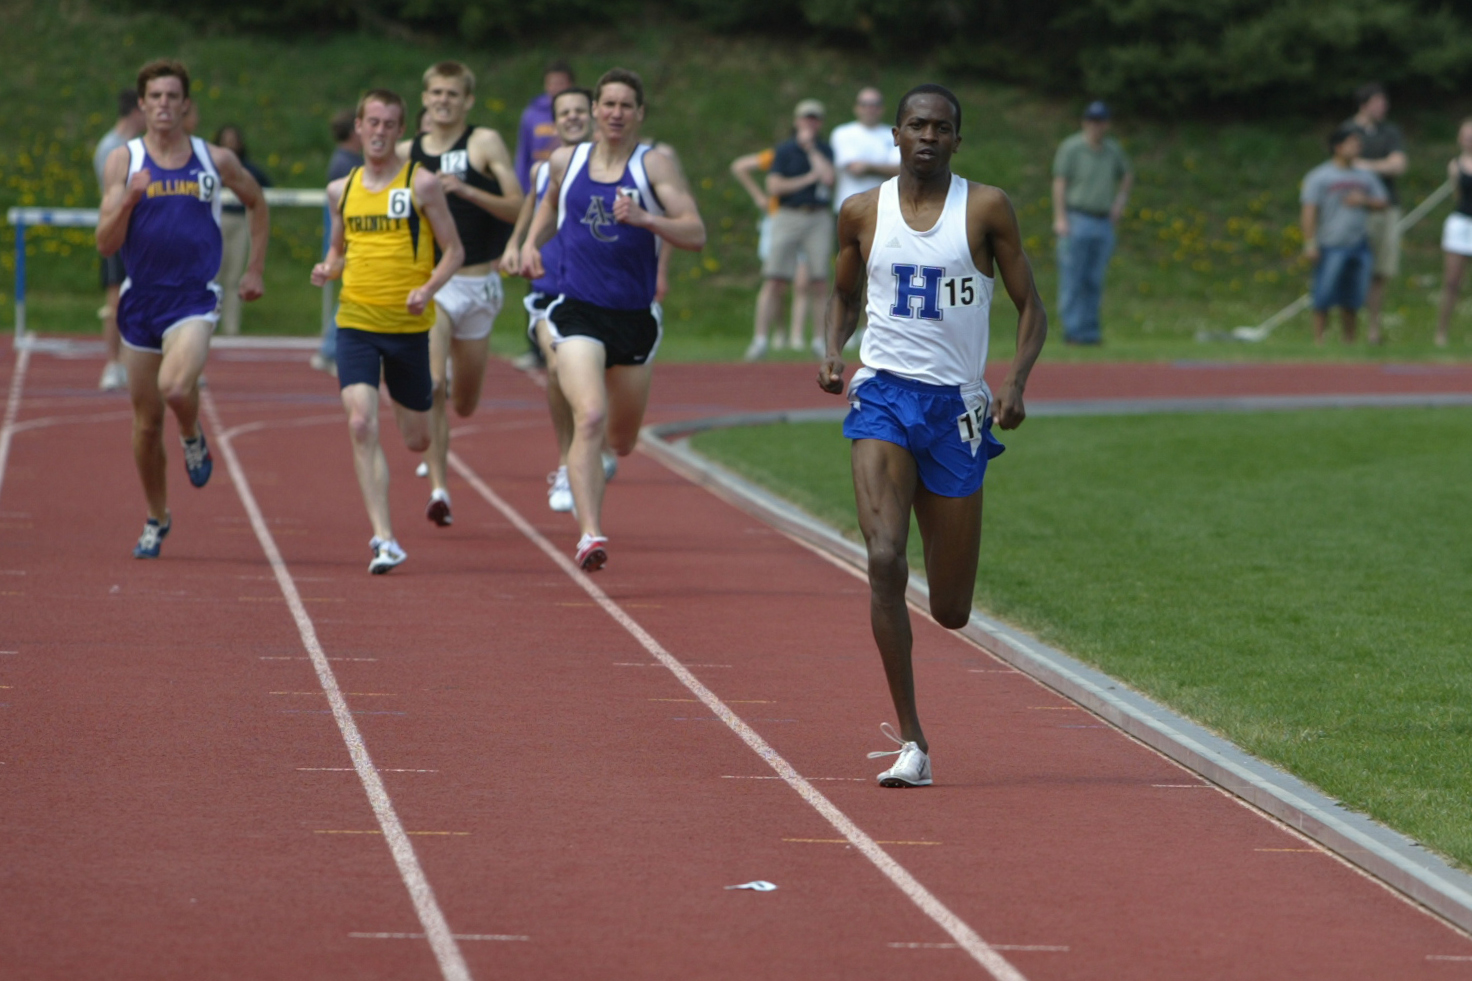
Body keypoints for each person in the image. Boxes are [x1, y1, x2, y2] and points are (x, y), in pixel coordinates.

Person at [817, 84, 1046, 787]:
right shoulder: (860, 211)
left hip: (957, 412)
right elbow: (845, 296)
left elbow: (1031, 305)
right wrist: (833, 348)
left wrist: (1014, 382)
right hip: (883, 394)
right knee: (884, 558)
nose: (927, 136)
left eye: (941, 127)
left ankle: (934, 630)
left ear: (956, 139)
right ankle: (912, 740)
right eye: (916, 124)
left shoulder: (985, 208)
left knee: (950, 609)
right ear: (894, 133)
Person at [519, 67, 705, 571]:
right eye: (608, 104)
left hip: (634, 318)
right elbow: (548, 203)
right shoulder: (567, 159)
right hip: (577, 309)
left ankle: (598, 462)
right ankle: (589, 533)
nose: (616, 113)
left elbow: (695, 232)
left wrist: (647, 219)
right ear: (595, 110)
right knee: (590, 416)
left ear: (639, 113)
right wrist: (529, 248)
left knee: (620, 441)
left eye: (626, 105)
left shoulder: (655, 165)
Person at [95, 60, 270, 559]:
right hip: (141, 299)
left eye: (173, 96)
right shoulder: (122, 162)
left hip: (195, 296)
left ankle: (192, 431)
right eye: (156, 97)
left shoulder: (214, 159)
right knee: (147, 425)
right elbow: (105, 244)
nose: (165, 105)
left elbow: (258, 204)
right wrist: (127, 201)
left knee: (176, 387)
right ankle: (157, 516)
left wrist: (253, 270)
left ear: (186, 104)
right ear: (143, 104)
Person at [310, 89, 464, 573]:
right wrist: (328, 268)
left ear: (401, 131)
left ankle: (434, 404)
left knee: (417, 439)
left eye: (388, 124)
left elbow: (454, 251)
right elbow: (339, 250)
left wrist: (429, 288)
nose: (378, 132)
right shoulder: (342, 189)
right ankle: (384, 538)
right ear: (358, 127)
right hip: (355, 323)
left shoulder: (422, 184)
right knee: (359, 422)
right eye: (371, 122)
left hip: (407, 327)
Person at [400, 61, 523, 528]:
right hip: (433, 285)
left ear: (467, 100)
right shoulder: (405, 151)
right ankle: (439, 489)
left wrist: (466, 190)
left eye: (452, 94)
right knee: (431, 385)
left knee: (465, 402)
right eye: (435, 93)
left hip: (478, 283)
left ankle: (451, 380)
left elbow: (516, 206)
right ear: (425, 98)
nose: (443, 101)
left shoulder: (483, 142)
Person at [501, 86, 595, 513]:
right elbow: (529, 209)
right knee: (556, 366)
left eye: (580, 111)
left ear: (592, 116)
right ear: (553, 123)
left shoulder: (615, 169)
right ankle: (565, 462)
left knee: (598, 389)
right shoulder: (545, 170)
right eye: (565, 113)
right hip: (548, 284)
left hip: (597, 289)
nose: (573, 118)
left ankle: (593, 448)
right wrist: (517, 245)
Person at [743, 99, 835, 361]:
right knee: (774, 278)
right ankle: (760, 339)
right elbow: (775, 187)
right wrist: (807, 179)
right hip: (787, 215)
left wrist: (811, 151)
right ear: (797, 122)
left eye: (815, 118)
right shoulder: (783, 151)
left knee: (819, 280)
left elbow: (828, 178)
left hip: (817, 216)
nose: (810, 122)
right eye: (806, 118)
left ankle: (819, 340)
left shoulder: (825, 150)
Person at [512, 59, 576, 371]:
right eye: (551, 83)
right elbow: (524, 157)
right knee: (537, 270)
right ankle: (537, 347)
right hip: (539, 195)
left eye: (561, 83)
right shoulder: (531, 116)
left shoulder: (591, 150)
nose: (555, 89)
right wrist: (515, 241)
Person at [1050, 101, 1132, 345]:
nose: (1097, 126)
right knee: (1072, 278)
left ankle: (1090, 331)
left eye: (1101, 121)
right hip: (1077, 218)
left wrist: (1119, 204)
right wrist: (1060, 217)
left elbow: (1126, 175)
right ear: (1085, 122)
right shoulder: (1072, 148)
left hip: (1103, 221)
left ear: (1106, 124)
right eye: (1093, 121)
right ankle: (1073, 331)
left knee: (1094, 280)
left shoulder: (1112, 150)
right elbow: (1059, 182)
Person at [730, 141, 817, 360]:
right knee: (776, 281)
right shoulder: (780, 155)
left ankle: (796, 337)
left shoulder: (818, 154)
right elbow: (739, 166)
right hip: (779, 220)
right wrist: (759, 196)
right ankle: (775, 332)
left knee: (802, 281)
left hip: (808, 219)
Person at [1301, 126, 1387, 344]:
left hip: (1359, 243)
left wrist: (1364, 201)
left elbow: (1383, 202)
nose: (1358, 146)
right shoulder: (1319, 176)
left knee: (1353, 295)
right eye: (1352, 142)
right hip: (1330, 243)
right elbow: (1309, 211)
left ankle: (1349, 341)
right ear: (1338, 147)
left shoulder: (1365, 176)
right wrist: (1310, 243)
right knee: (1324, 293)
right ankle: (1318, 341)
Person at [1344, 83, 1409, 345]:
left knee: (1381, 270)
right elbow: (1345, 166)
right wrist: (1380, 166)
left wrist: (1365, 166)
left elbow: (1399, 165)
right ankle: (1348, 332)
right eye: (1379, 102)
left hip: (1387, 208)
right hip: (1355, 210)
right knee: (1351, 268)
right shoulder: (1348, 130)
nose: (1384, 107)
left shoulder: (1390, 131)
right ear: (1365, 103)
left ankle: (1373, 330)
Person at [93, 89, 145, 391]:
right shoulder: (111, 148)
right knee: (115, 301)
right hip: (118, 230)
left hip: (143, 234)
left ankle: (137, 360)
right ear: (135, 112)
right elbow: (112, 195)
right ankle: (113, 363)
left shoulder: (140, 146)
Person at [311, 110, 363, 375]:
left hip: (343, 232)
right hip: (346, 234)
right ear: (355, 132)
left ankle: (332, 348)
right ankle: (330, 349)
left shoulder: (345, 160)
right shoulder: (347, 163)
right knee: (350, 292)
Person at [213, 125, 272, 336]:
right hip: (216, 221)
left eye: (233, 139)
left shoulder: (245, 169)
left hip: (239, 221)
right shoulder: (211, 164)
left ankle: (231, 328)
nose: (230, 144)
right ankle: (206, 324)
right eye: (225, 139)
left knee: (234, 277)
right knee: (213, 274)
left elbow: (261, 192)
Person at [1434, 118, 1472, 347]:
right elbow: (1457, 195)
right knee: (1451, 282)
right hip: (1461, 224)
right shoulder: (1455, 165)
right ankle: (1441, 333)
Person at [831, 87, 901, 210]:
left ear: (882, 108)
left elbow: (900, 171)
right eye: (865, 104)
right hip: (851, 207)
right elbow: (855, 169)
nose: (870, 109)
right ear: (856, 108)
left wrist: (868, 167)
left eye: (875, 105)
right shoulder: (843, 133)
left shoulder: (893, 134)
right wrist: (885, 168)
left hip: (885, 207)